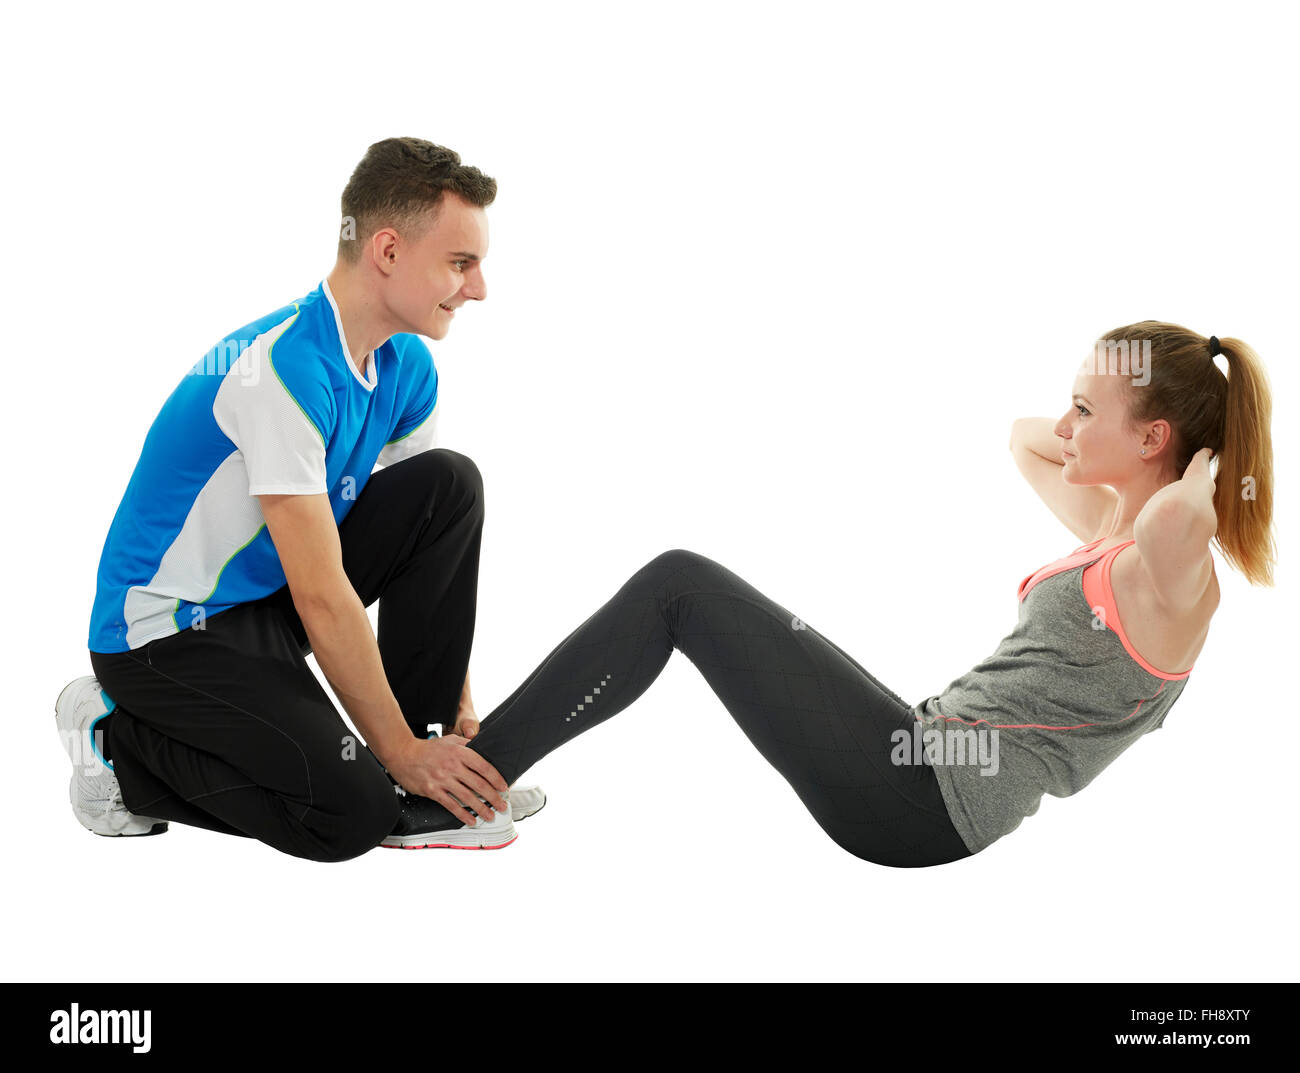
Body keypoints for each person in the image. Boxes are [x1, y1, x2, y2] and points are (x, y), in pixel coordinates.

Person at [380, 324, 1277, 865]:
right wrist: (1113, 421)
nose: (1068, 423)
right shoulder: (1111, 537)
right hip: (919, 748)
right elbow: (1020, 440)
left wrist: (1210, 467)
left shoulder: (1165, 573)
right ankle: (477, 778)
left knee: (677, 585)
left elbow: (1175, 521)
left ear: (1158, 439)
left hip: (922, 793)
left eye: (1088, 408)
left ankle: (463, 790)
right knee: (685, 587)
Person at [59, 137, 535, 861]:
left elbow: (423, 558)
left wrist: (449, 718)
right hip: (165, 635)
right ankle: (118, 743)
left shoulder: (406, 365)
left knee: (449, 483)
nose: (478, 289)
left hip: (263, 605)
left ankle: (428, 754)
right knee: (351, 812)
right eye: (460, 263)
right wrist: (394, 756)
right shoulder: (280, 371)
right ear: (385, 251)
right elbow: (323, 594)